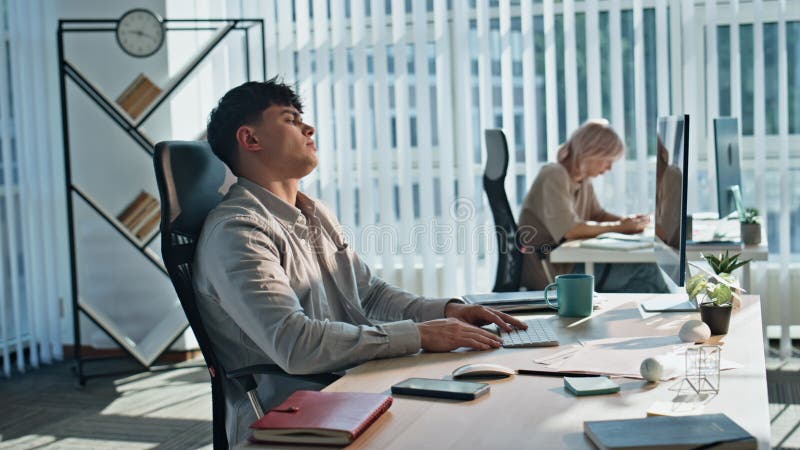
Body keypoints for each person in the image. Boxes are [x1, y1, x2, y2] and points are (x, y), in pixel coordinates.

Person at [193, 78, 527, 443]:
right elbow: (295, 344)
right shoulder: (238, 231)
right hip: (296, 420)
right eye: (290, 119)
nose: (309, 128)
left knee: (498, 412)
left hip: (355, 389)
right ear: (250, 139)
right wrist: (419, 334)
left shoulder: (313, 212)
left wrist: (446, 311)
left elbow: (369, 295)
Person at [517, 119, 667, 293]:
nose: (609, 168)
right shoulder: (554, 175)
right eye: (607, 160)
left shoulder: (582, 180)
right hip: (553, 273)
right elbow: (570, 230)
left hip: (569, 263)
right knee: (646, 269)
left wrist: (628, 222)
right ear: (590, 152)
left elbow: (598, 215)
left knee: (641, 286)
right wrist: (621, 227)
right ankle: (675, 311)